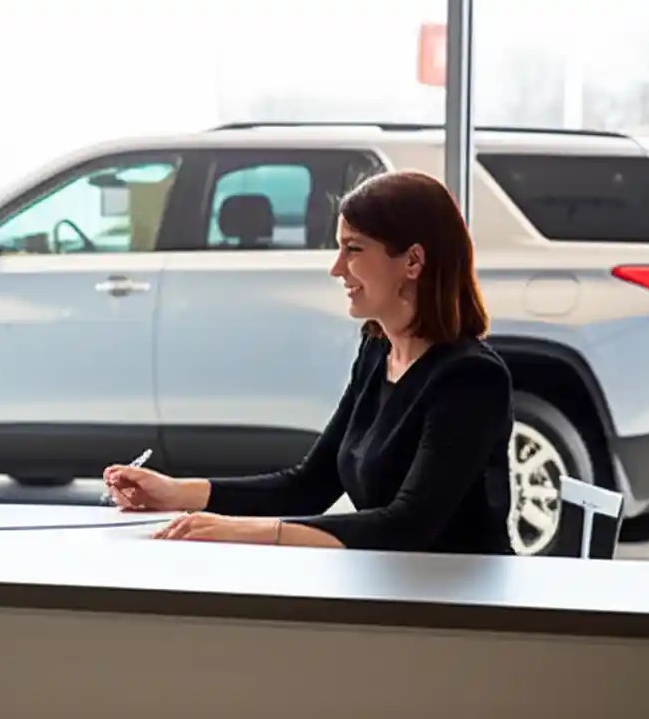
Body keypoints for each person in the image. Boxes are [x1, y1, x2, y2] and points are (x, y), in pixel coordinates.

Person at [104, 170, 514, 555]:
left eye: (353, 249)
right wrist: (176, 493)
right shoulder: (377, 351)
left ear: (412, 262)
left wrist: (247, 532)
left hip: (463, 612)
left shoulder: (471, 378)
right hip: (398, 589)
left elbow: (406, 527)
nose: (337, 268)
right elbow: (310, 485)